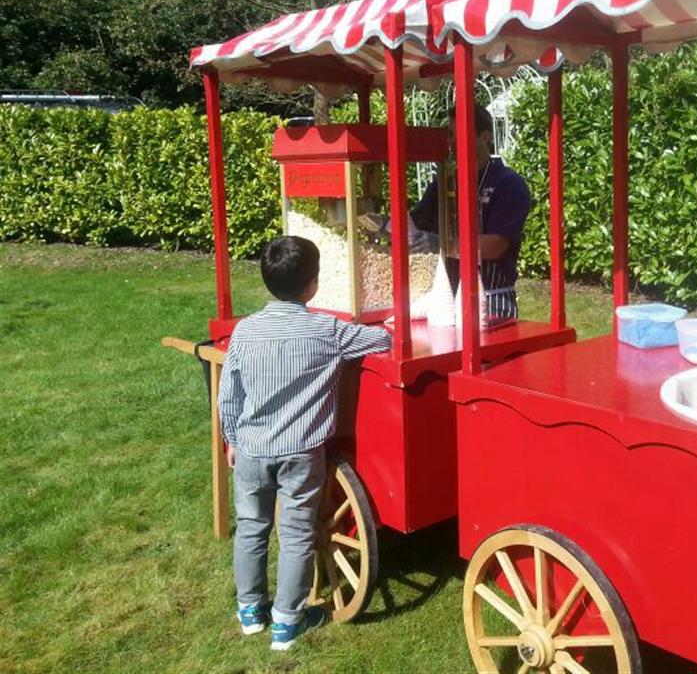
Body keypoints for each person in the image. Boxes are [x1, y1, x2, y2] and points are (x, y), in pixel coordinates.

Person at [216, 236, 390, 651]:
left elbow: (229, 393)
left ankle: (250, 612)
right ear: (313, 285)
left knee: (252, 529)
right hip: (300, 451)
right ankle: (287, 622)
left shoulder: (245, 331)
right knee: (296, 534)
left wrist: (231, 437)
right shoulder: (326, 331)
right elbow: (381, 342)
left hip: (252, 448)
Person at [408, 104, 532, 324]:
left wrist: (440, 244)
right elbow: (413, 223)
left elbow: (495, 246)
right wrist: (380, 224)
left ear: (484, 137)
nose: (451, 141)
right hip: (445, 297)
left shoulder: (509, 184)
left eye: (458, 134)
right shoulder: (444, 183)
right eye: (449, 134)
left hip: (493, 302)